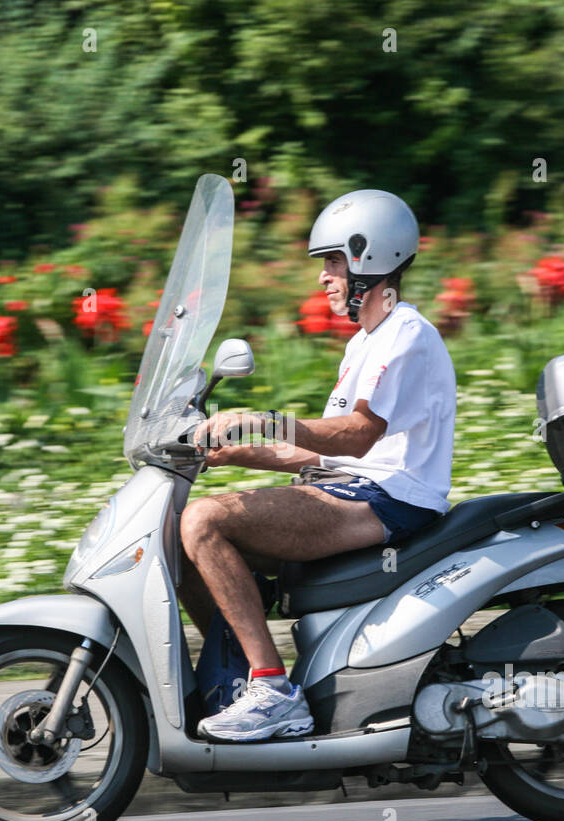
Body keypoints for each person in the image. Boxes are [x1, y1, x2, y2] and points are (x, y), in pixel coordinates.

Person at [180, 188, 457, 742]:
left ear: (367, 257)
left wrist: (262, 418)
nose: (324, 278)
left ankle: (272, 691)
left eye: (332, 262)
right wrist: (224, 452)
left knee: (204, 522)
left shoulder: (406, 336)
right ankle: (237, 686)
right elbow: (318, 451)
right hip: (351, 485)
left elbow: (355, 437)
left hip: (387, 497)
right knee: (178, 539)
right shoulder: (366, 343)